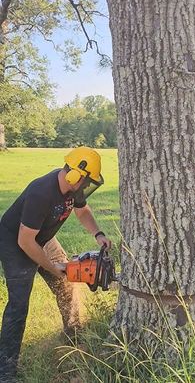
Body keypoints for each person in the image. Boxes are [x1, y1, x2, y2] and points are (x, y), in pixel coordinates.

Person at [0, 146, 111, 383]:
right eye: (87, 181)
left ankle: (73, 335)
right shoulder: (42, 193)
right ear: (75, 175)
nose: (86, 187)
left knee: (67, 282)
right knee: (19, 306)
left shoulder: (74, 187)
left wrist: (98, 233)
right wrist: (52, 267)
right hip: (15, 242)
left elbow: (82, 212)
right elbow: (25, 241)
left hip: (43, 237)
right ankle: (5, 370)